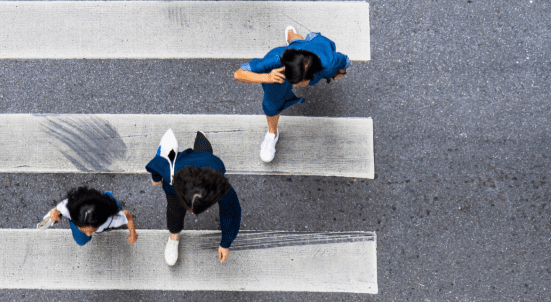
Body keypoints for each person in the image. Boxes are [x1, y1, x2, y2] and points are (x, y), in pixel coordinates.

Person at [234, 26, 350, 163]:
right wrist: (267, 77)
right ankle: (272, 133)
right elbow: (238, 74)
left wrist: (336, 74)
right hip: (278, 74)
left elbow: (345, 62)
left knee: (298, 42)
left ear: (315, 73)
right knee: (272, 103)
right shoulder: (276, 60)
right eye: (295, 82)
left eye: (301, 82)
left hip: (309, 50)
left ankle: (292, 34)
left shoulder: (329, 62)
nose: (297, 85)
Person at [145, 132, 240, 266]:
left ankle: (201, 137)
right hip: (186, 164)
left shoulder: (219, 183)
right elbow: (157, 163)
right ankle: (174, 236)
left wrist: (226, 243)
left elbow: (231, 211)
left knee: (205, 153)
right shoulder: (172, 174)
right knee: (175, 210)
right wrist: (156, 178)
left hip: (206, 162)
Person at [42, 186, 138, 245]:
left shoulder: (111, 220)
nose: (88, 234)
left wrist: (133, 234)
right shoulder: (68, 207)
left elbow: (128, 216)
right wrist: (55, 215)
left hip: (105, 209)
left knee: (116, 207)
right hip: (97, 206)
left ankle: (106, 198)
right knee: (81, 240)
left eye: (92, 230)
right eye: (84, 230)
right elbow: (52, 215)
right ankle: (106, 196)